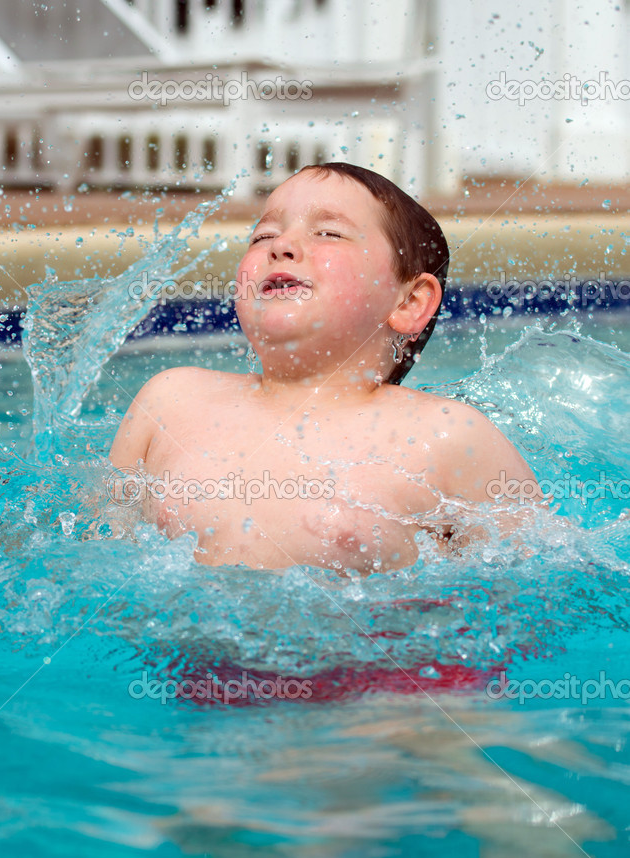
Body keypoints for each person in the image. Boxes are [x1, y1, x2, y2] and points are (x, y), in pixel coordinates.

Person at [109, 162, 540, 573]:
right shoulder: (170, 401)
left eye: (328, 232)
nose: (281, 246)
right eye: (262, 236)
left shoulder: (448, 436)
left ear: (408, 303)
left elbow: (537, 588)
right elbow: (97, 549)